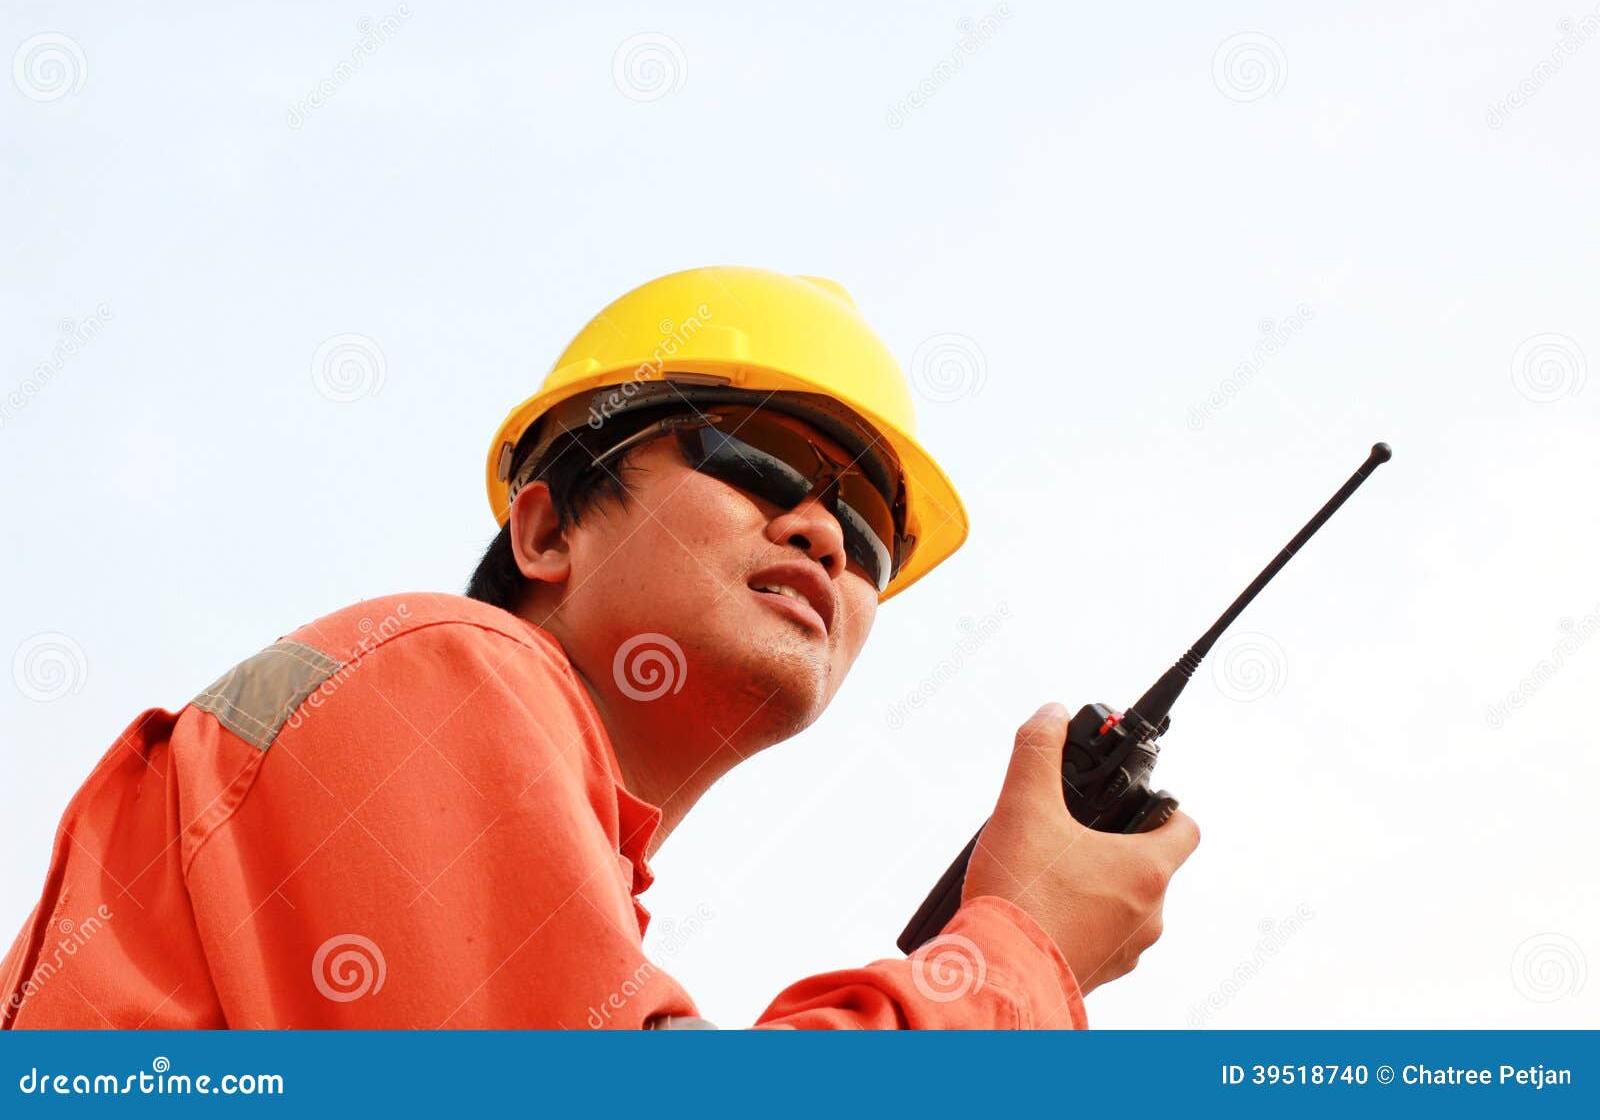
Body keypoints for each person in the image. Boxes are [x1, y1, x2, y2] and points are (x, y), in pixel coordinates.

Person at [0, 267, 1199, 1029]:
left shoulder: (565, 912)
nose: (823, 528)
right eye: (757, 456)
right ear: (547, 524)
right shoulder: (440, 664)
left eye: (873, 532)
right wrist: (1016, 952)